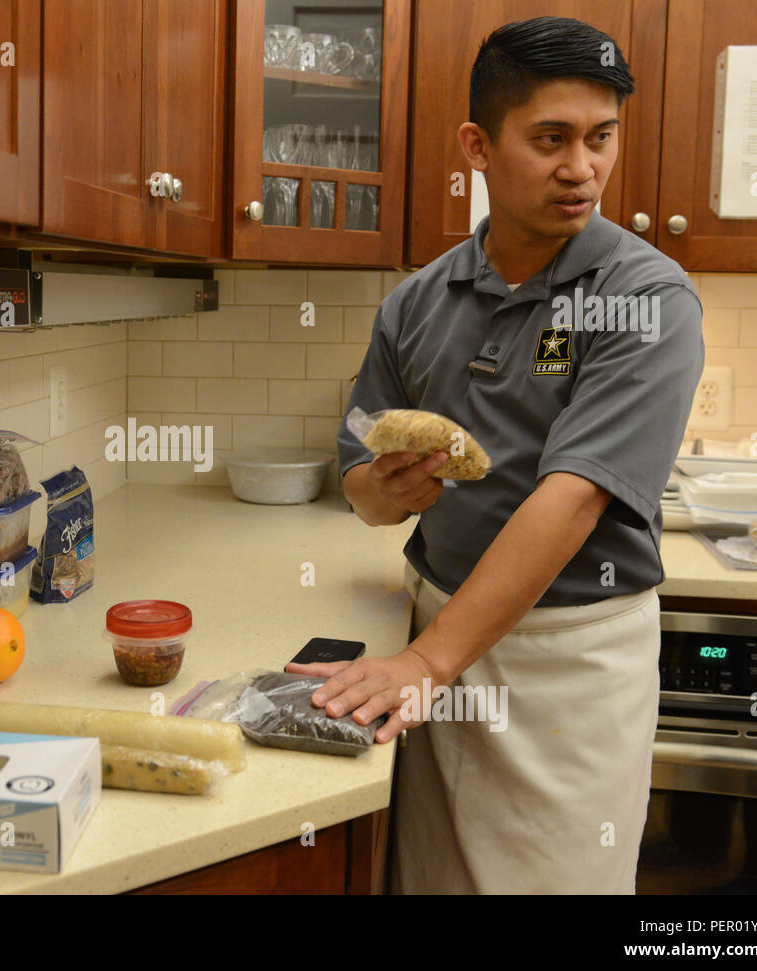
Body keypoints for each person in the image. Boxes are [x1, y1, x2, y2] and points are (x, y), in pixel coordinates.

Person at [288, 16, 704, 893]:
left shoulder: (646, 298)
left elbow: (574, 498)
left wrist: (427, 663)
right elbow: (357, 487)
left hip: (569, 664)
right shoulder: (417, 303)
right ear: (478, 145)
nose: (581, 167)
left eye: (601, 139)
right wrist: (387, 487)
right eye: (550, 138)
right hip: (436, 629)